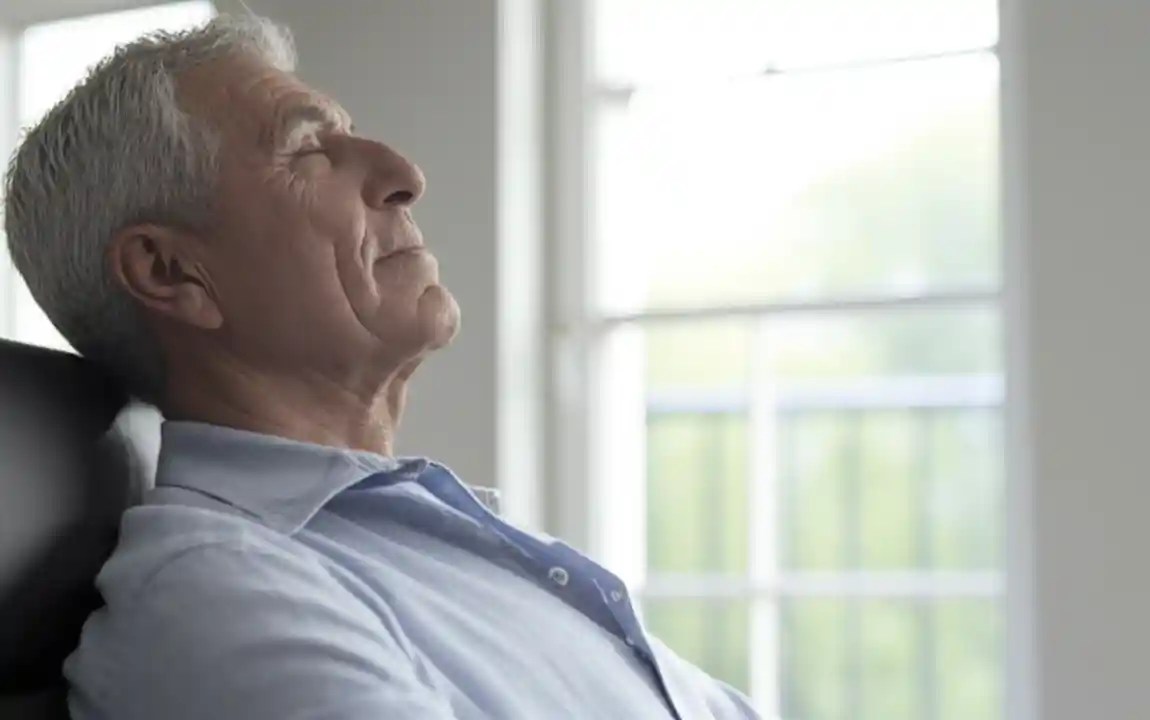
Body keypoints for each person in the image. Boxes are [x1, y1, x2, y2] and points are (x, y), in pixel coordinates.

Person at [3, 14, 759, 720]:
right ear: (171, 271)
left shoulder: (431, 545)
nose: (404, 174)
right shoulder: (218, 596)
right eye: (306, 149)